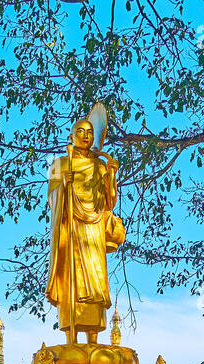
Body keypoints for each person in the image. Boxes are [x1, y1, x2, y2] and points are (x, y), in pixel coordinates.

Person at [46, 110, 123, 344]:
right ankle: (72, 338)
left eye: (90, 132)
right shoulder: (61, 163)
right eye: (80, 131)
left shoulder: (100, 166)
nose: (86, 136)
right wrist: (63, 187)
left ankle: (93, 338)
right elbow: (52, 199)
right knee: (73, 280)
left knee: (95, 282)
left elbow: (109, 201)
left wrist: (111, 174)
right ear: (71, 136)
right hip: (71, 229)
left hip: (94, 229)